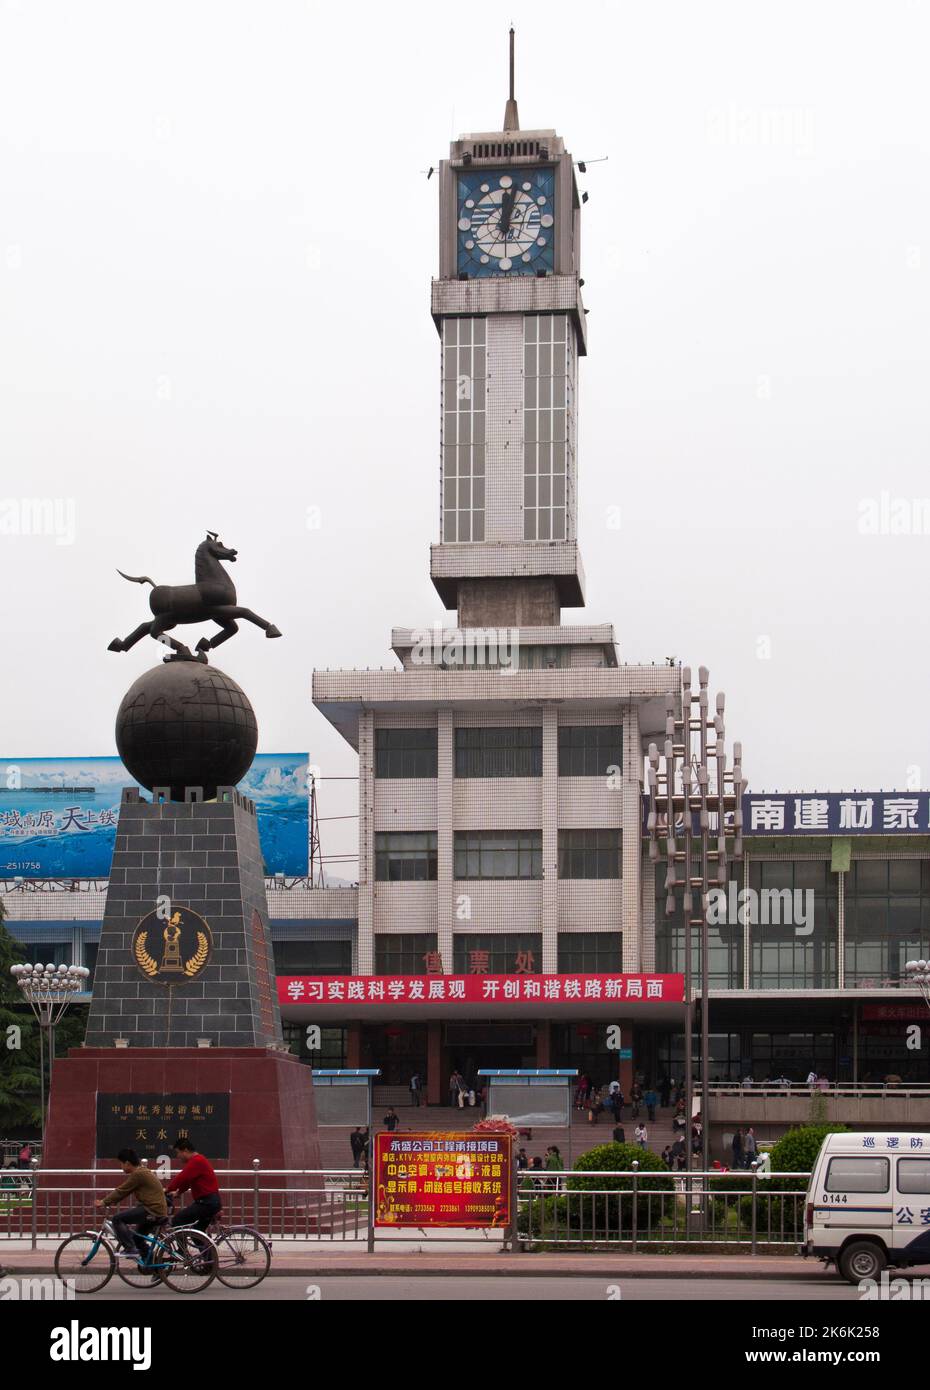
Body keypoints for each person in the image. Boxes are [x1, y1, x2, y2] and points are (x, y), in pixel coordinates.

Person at [97, 1148, 167, 1262]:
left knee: (117, 1219)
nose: (121, 1167)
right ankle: (154, 1265)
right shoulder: (142, 1171)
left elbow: (122, 1191)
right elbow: (124, 1192)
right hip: (155, 1209)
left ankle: (130, 1249)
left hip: (152, 1210)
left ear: (127, 1163)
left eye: (121, 1164)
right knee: (137, 1238)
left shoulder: (138, 1174)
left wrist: (104, 1202)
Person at [164, 1136, 222, 1233]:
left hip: (206, 1203)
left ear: (185, 1150)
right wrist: (178, 1192)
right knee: (198, 1232)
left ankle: (181, 1249)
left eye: (178, 1152)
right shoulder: (198, 1160)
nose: (177, 1156)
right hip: (210, 1202)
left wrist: (167, 1190)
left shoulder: (197, 1160)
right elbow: (187, 1181)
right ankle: (207, 1248)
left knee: (177, 1220)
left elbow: (182, 1177)